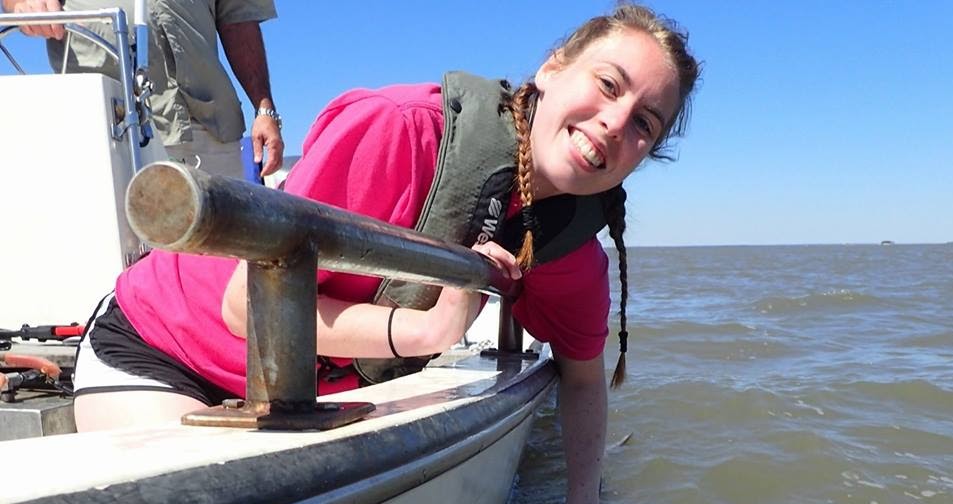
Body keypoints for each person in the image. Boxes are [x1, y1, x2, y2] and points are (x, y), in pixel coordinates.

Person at [69, 3, 699, 502]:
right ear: (554, 67)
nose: (617, 122)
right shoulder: (399, 129)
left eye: (645, 122)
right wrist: (427, 330)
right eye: (609, 84)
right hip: (163, 349)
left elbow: (584, 378)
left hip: (307, 395)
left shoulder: (568, 250)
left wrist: (583, 497)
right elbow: (246, 308)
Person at [2, 0, 284, 178]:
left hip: (206, 128)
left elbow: (239, 18)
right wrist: (21, 5)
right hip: (101, 132)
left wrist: (265, 108)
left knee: (222, 264)